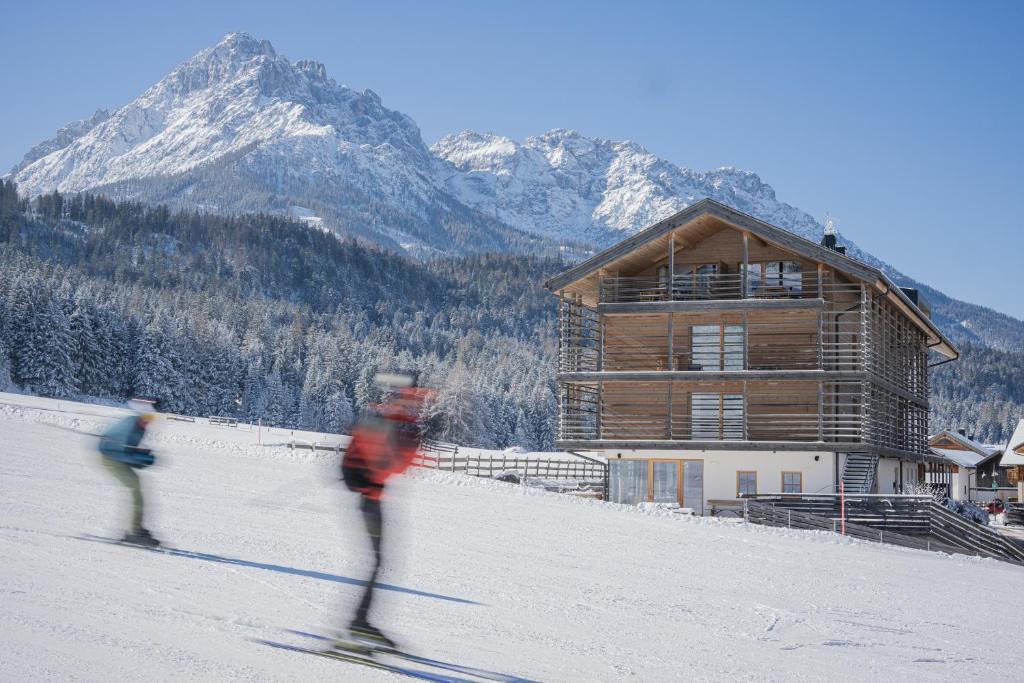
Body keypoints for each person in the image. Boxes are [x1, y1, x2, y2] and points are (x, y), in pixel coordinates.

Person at [336, 374, 432, 650]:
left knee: (379, 562)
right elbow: (392, 464)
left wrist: (414, 444)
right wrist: (414, 445)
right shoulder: (392, 421)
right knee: (378, 561)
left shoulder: (391, 419)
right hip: (369, 499)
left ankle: (359, 621)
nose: (416, 402)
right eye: (414, 396)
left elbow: (393, 463)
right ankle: (358, 623)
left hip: (372, 498)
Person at [99, 399, 160, 547]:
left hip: (118, 457)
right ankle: (134, 531)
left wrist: (141, 455)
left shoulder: (140, 429)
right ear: (141, 415)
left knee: (137, 488)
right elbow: (111, 448)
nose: (150, 422)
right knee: (135, 487)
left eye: (152, 419)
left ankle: (135, 528)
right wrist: (138, 458)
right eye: (148, 418)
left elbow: (129, 450)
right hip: (110, 458)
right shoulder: (130, 424)